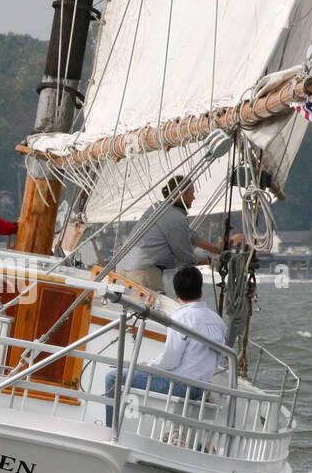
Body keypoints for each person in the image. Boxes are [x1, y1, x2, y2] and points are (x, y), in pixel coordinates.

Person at [104, 264, 225, 428]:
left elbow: (171, 359)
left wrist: (149, 365)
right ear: (200, 291)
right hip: (201, 386)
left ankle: (111, 429)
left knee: (113, 377)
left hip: (180, 386)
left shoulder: (182, 317)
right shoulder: (217, 320)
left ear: (176, 294)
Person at [115, 177, 243, 294]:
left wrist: (216, 249)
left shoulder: (156, 208)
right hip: (142, 273)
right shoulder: (177, 219)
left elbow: (190, 235)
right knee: (148, 315)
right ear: (181, 194)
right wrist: (212, 260)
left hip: (121, 269)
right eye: (191, 193)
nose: (194, 198)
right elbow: (186, 258)